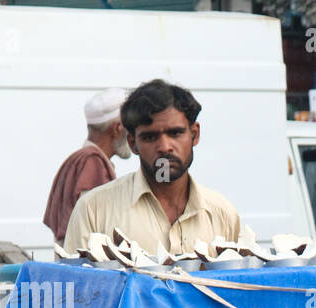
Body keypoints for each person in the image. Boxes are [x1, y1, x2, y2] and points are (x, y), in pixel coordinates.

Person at [62, 79, 240, 256]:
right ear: (133, 143)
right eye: (150, 137)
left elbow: (239, 282)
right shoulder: (94, 210)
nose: (164, 147)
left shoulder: (222, 214)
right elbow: (78, 282)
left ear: (194, 134)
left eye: (175, 133)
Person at [43, 88, 132, 245]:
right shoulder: (92, 163)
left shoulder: (77, 160)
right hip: (83, 266)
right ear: (117, 128)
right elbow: (93, 229)